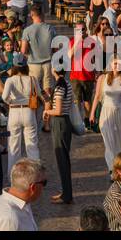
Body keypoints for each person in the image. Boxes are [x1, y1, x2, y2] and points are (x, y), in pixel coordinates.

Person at [92, 58, 121, 169]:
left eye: (118, 63)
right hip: (106, 112)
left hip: (120, 112)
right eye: (114, 63)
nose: (116, 65)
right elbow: (97, 96)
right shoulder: (103, 78)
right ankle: (112, 169)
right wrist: (92, 113)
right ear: (110, 64)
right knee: (109, 141)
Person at [43, 64, 77, 205]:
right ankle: (65, 192)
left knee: (62, 160)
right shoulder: (66, 84)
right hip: (64, 122)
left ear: (54, 70)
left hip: (60, 123)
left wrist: (46, 112)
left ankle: (67, 195)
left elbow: (58, 111)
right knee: (64, 160)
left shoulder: (59, 87)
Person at [0, 60, 42, 167]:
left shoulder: (10, 80)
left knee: (13, 147)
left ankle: (12, 177)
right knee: (32, 145)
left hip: (14, 111)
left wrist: (11, 102)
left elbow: (4, 97)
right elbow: (39, 93)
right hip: (29, 111)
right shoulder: (32, 79)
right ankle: (36, 174)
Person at [0, 158, 46, 231]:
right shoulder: (9, 220)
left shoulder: (19, 200)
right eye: (44, 183)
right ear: (33, 187)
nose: (44, 187)